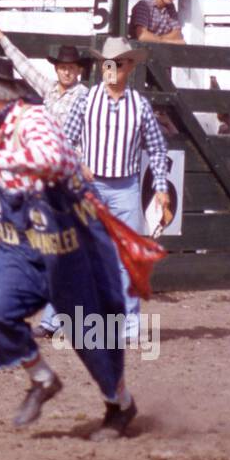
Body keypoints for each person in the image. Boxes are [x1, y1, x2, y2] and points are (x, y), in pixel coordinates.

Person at [0, 54, 137, 439]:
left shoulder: (33, 118)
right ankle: (42, 378)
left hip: (66, 243)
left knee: (88, 331)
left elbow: (51, 161)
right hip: (20, 244)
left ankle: (119, 403)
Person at [61, 37, 169, 341]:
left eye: (118, 63)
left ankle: (128, 325)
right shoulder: (86, 99)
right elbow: (65, 141)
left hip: (126, 187)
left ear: (129, 66)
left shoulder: (141, 105)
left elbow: (158, 149)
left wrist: (160, 188)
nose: (111, 69)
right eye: (106, 63)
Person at [0, 31, 90, 128]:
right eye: (63, 68)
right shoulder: (50, 88)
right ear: (56, 69)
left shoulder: (84, 95)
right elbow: (26, 68)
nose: (67, 73)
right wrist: (2, 39)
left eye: (71, 68)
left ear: (79, 71)